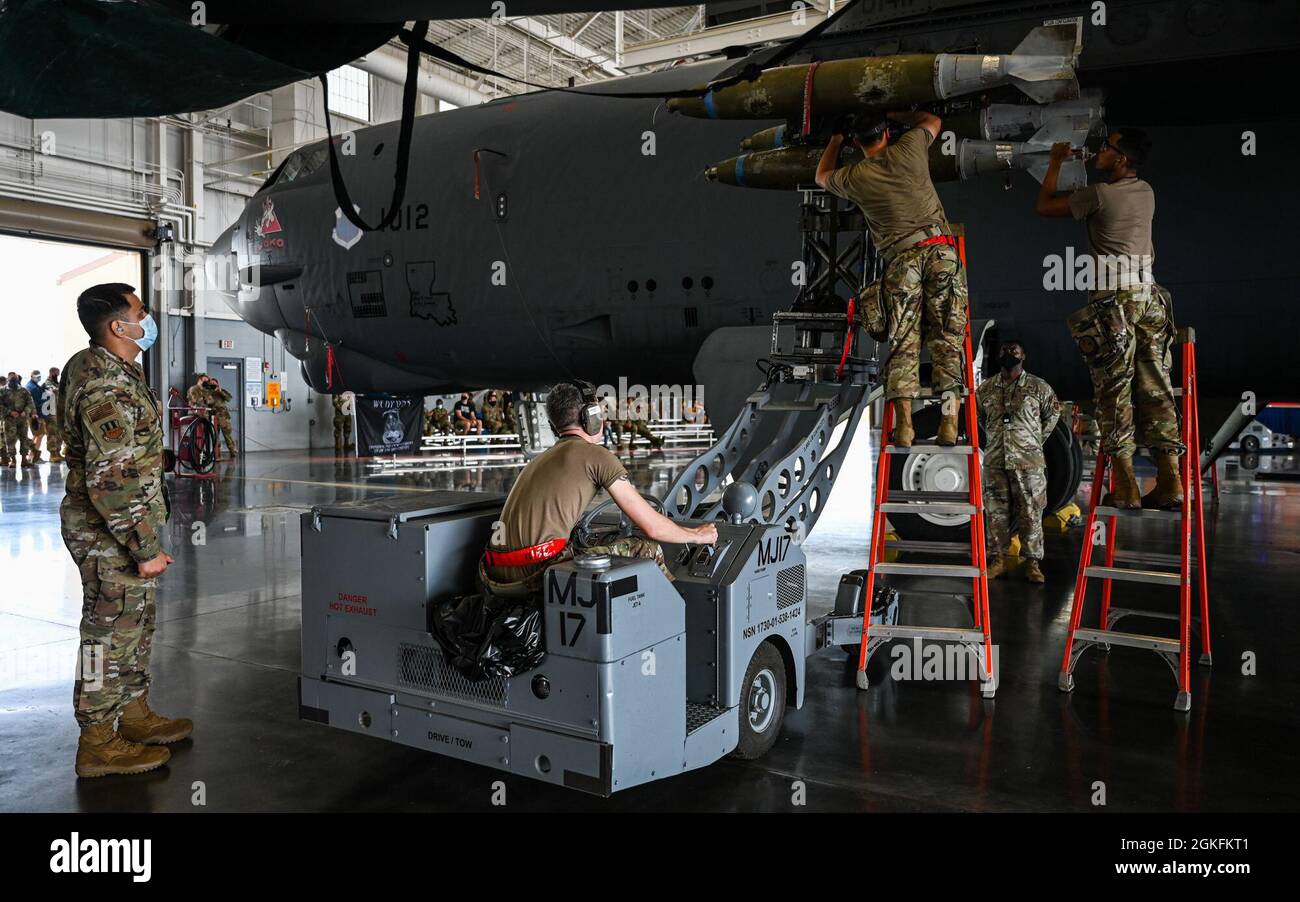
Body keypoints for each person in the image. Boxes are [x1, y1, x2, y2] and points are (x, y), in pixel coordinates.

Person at [59, 282, 191, 778]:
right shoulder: (103, 386)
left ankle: (132, 714)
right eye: (141, 311)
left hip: (123, 528)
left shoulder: (116, 371)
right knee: (104, 636)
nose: (148, 317)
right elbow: (110, 476)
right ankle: (96, 740)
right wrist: (143, 545)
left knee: (132, 627)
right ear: (119, 326)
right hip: (107, 532)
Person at [1034, 129, 1184, 510]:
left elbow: (1045, 206)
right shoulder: (1146, 191)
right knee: (1156, 388)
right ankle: (1171, 480)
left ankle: (1127, 485)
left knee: (1114, 391)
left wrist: (1055, 162)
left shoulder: (1100, 195)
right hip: (1149, 296)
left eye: (1106, 148)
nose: (1099, 152)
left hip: (1113, 299)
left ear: (1120, 159)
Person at [815, 111, 968, 448]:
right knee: (947, 340)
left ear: (858, 142)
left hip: (902, 262)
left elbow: (822, 176)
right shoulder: (910, 146)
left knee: (903, 345)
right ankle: (948, 423)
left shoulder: (856, 176)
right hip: (940, 252)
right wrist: (898, 115)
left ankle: (904, 427)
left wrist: (835, 141)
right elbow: (933, 121)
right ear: (886, 134)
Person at [480, 380, 717, 596]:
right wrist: (698, 535)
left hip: (493, 576)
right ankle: (677, 617)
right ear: (590, 417)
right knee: (646, 549)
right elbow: (653, 528)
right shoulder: (597, 456)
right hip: (534, 576)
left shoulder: (539, 459)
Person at [976, 341, 1062, 584]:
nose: (1009, 354)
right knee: (996, 513)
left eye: (1014, 351)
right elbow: (981, 418)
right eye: (1004, 351)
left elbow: (1052, 415)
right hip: (995, 460)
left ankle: (1032, 562)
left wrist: (1031, 441)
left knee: (1031, 512)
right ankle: (998, 559)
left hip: (1028, 462)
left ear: (1023, 356)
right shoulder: (986, 389)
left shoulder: (1038, 387)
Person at [1, 370, 37, 468]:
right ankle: (13, 460)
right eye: (12, 379)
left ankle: (24, 460)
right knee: (10, 440)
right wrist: (9, 412)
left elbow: (30, 403)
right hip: (9, 420)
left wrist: (27, 411)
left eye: (15, 379)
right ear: (8, 379)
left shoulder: (24, 391)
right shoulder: (2, 391)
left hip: (22, 419)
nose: (14, 381)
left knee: (24, 439)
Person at [42, 366, 63, 462]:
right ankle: (52, 454)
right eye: (56, 374)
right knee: (52, 433)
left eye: (58, 374)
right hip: (50, 412)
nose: (57, 376)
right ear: (51, 373)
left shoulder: (56, 383)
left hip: (58, 411)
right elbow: (53, 391)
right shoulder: (47, 383)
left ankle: (58, 451)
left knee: (59, 433)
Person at [26, 370, 46, 462]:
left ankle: (32, 455)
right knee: (40, 434)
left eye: (39, 376)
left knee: (36, 435)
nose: (38, 378)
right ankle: (34, 456)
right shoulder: (32, 388)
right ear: (31, 376)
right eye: (36, 376)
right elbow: (37, 403)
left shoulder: (33, 386)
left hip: (34, 414)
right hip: (35, 415)